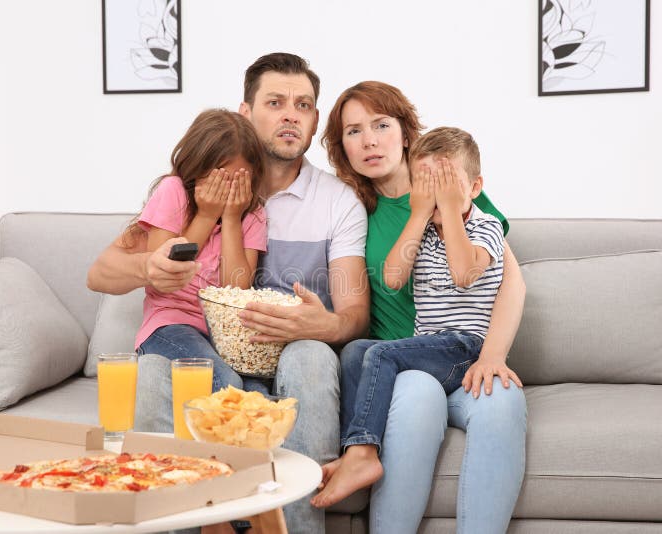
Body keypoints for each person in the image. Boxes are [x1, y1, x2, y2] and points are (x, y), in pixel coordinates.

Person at [87, 53, 369, 534]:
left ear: (315, 119)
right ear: (246, 113)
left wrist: (327, 324)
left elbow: (349, 309)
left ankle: (285, 518)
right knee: (162, 369)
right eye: (275, 102)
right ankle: (197, 514)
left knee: (307, 358)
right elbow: (114, 268)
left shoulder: (332, 203)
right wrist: (188, 231)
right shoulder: (183, 190)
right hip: (189, 335)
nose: (289, 115)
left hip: (272, 349)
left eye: (302, 105)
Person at [318, 81, 527, 534]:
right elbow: (384, 282)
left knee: (503, 401)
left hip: (467, 351)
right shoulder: (350, 211)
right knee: (413, 395)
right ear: (342, 148)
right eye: (353, 132)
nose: (370, 141)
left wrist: (493, 356)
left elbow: (510, 283)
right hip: (405, 363)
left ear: (406, 133)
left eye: (381, 125)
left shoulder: (457, 191)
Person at [130, 108, 268, 392]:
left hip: (225, 333)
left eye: (237, 182)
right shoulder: (173, 191)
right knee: (223, 382)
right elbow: (162, 271)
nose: (227, 191)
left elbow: (236, 290)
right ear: (198, 168)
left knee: (259, 391)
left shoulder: (252, 215)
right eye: (219, 180)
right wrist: (206, 216)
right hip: (170, 324)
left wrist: (231, 218)